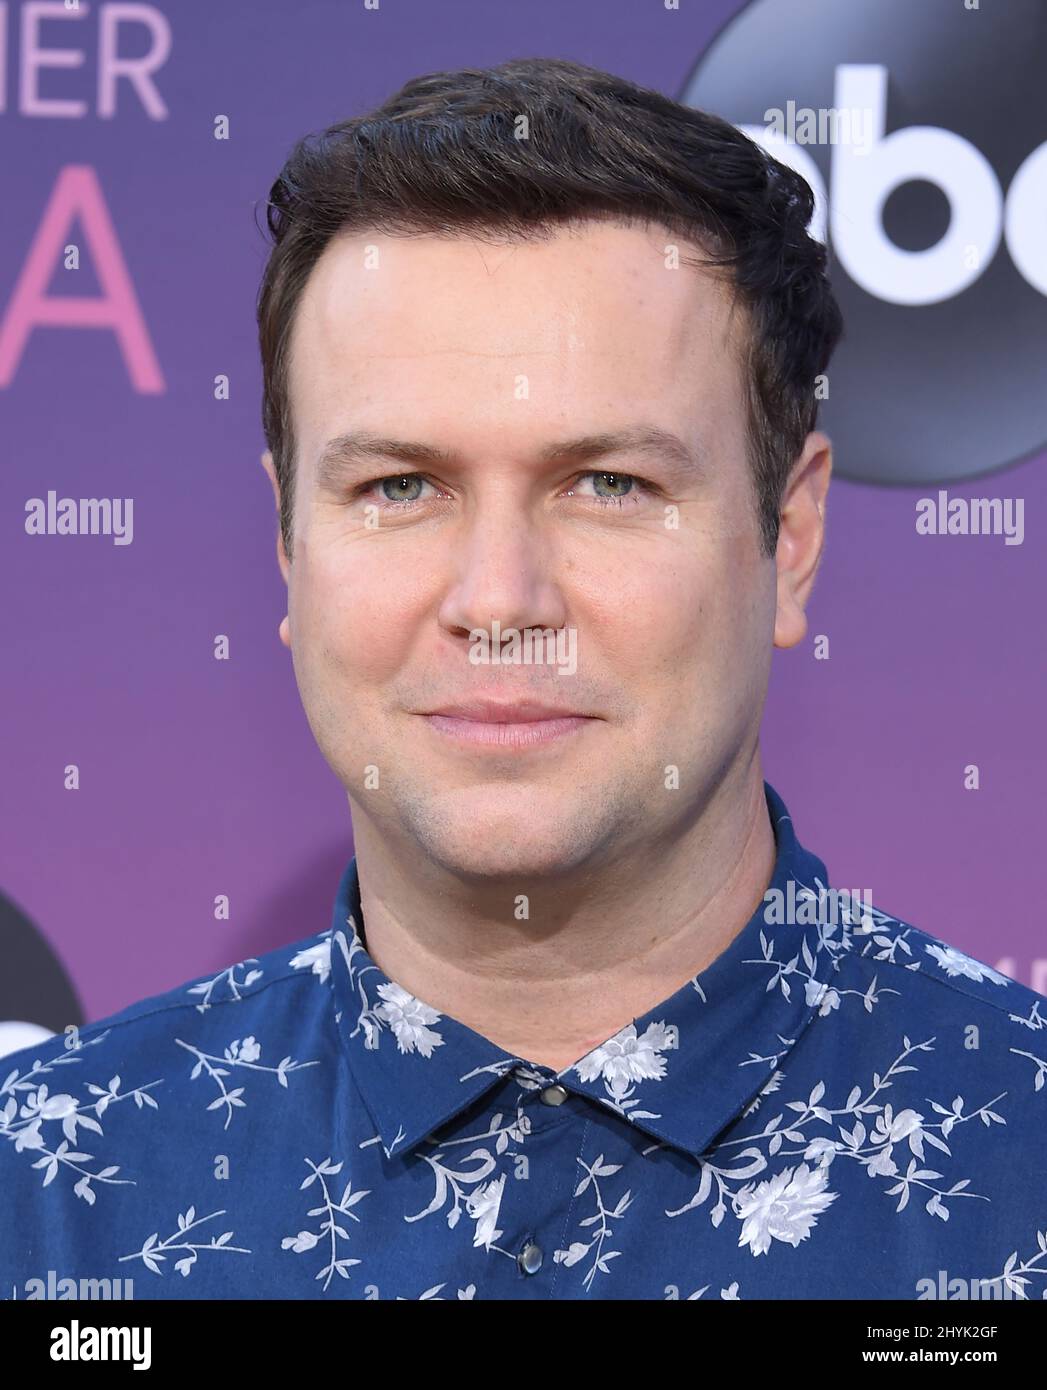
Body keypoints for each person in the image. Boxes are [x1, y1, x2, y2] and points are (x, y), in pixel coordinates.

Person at [3, 57, 1044, 1302]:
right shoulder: (47, 1192)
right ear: (288, 546)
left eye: (609, 484)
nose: (499, 600)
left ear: (793, 535)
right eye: (399, 487)